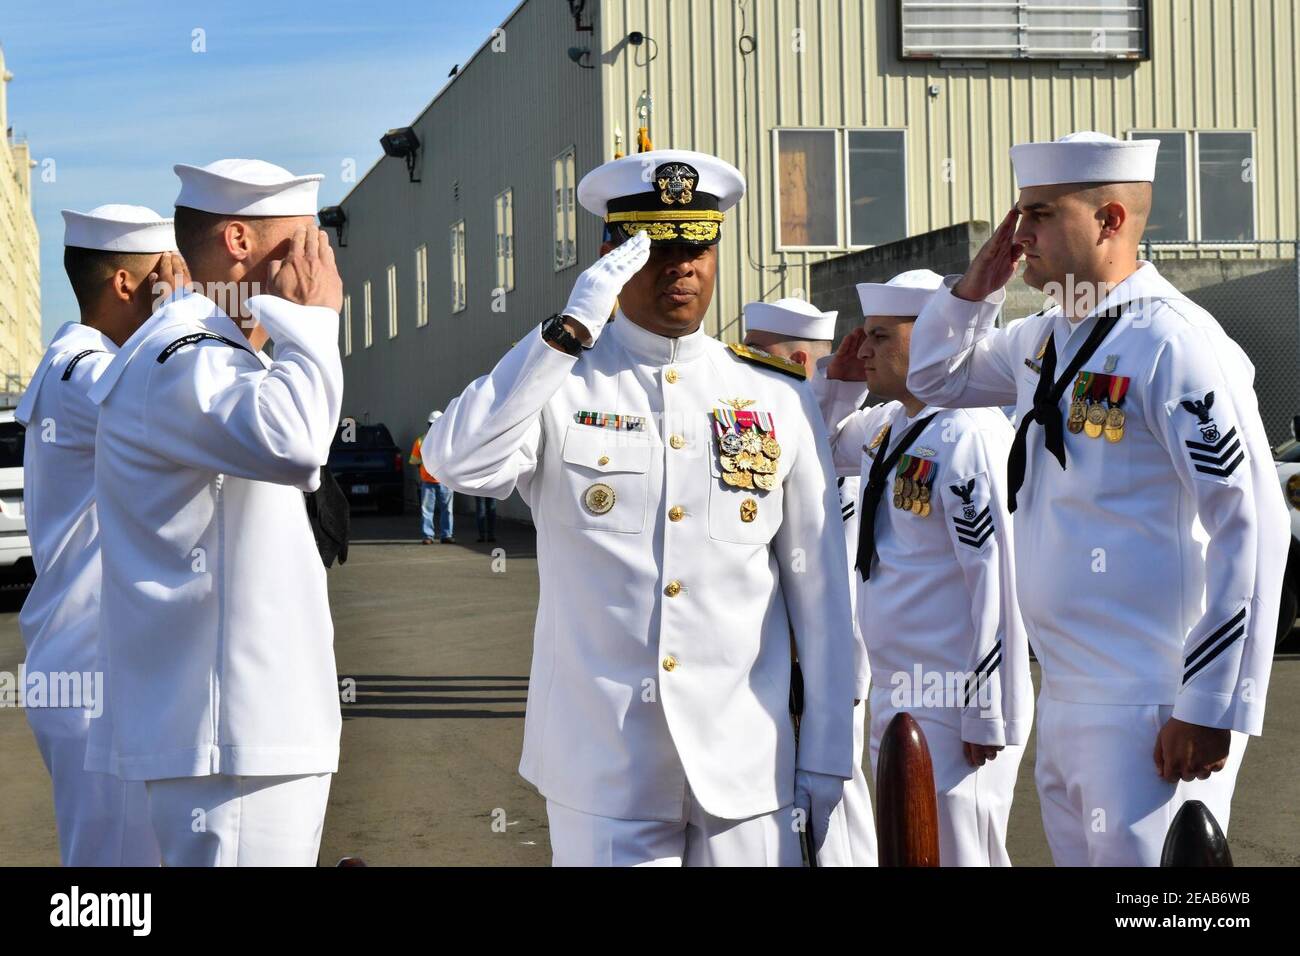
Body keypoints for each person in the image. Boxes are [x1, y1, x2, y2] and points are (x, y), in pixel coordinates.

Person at [423, 149, 856, 866]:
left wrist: (828, 756)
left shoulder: (775, 397)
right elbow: (455, 461)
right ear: (612, 259)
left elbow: (823, 599)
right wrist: (567, 332)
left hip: (747, 766)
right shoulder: (562, 384)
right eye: (655, 248)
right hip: (605, 769)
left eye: (697, 246)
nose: (681, 267)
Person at [907, 131, 1289, 866]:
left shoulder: (1173, 342)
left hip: (1150, 699)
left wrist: (1210, 704)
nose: (1020, 236)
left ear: (1110, 220)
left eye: (1042, 215)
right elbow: (935, 379)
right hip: (1069, 693)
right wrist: (975, 287)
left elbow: (1252, 523)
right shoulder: (1044, 337)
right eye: (1019, 215)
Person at [87, 159, 345, 866]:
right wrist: (313, 320)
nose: (320, 261)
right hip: (231, 745)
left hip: (246, 735)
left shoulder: (209, 355)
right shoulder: (184, 358)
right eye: (304, 240)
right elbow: (297, 445)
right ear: (240, 241)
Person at [812, 270, 1032, 865]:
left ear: (933, 338)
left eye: (882, 336)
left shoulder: (968, 431)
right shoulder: (892, 425)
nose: (867, 350)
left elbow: (997, 579)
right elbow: (821, 445)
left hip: (953, 695)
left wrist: (987, 710)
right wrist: (840, 379)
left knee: (963, 852)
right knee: (908, 852)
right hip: (897, 687)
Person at [14, 205, 175, 866]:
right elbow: (169, 403)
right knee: (113, 882)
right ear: (124, 285)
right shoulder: (85, 369)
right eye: (164, 278)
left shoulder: (85, 363)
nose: (178, 290)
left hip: (98, 669)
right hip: (90, 675)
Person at [741, 297, 877, 867]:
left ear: (797, 359)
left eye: (757, 353)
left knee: (836, 797)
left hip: (834, 650)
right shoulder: (819, 418)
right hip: (793, 649)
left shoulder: (860, 428)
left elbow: (809, 447)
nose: (744, 364)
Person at [410, 410, 453, 543]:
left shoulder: (448, 440)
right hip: (429, 482)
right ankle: (429, 536)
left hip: (444, 481)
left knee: (446, 510)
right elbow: (415, 460)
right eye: (432, 425)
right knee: (429, 510)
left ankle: (446, 535)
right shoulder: (421, 441)